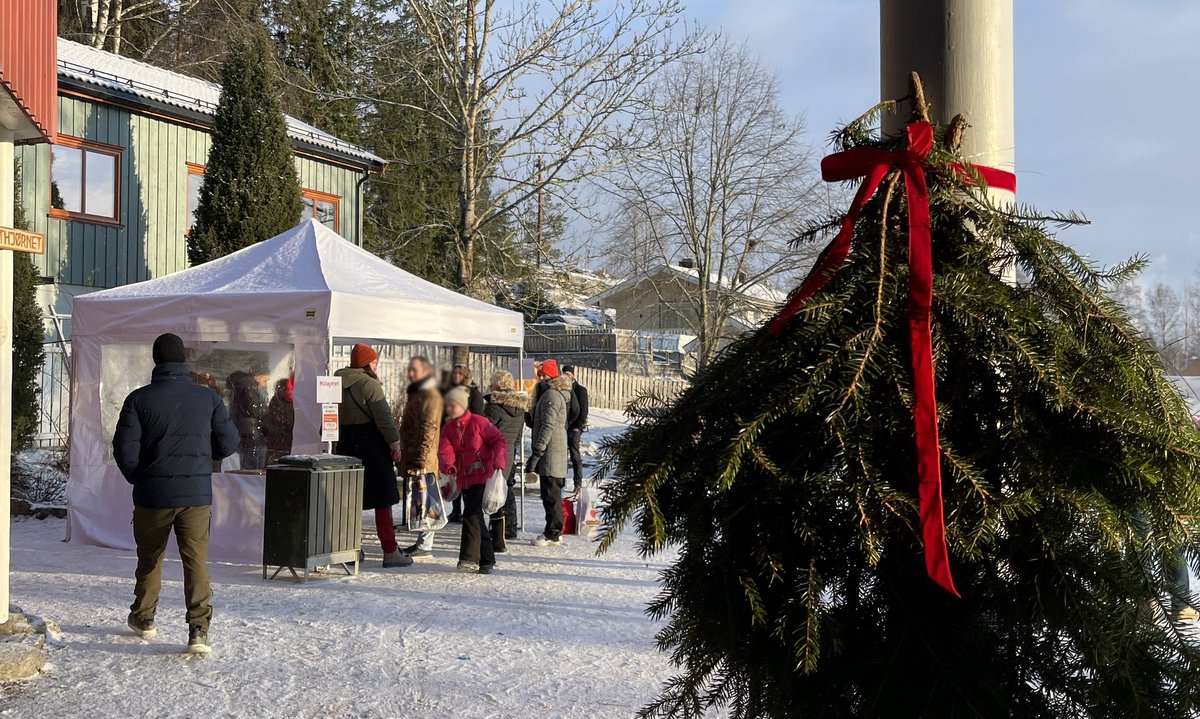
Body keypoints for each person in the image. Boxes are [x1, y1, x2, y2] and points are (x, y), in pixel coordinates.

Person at [113, 333, 239, 654]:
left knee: (150, 557)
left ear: (156, 361)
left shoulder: (139, 400)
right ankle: (198, 629)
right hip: (195, 495)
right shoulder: (207, 398)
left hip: (152, 495)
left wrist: (140, 478)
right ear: (183, 360)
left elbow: (124, 450)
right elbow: (228, 443)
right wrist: (200, 458)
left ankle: (144, 618)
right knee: (195, 560)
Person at [334, 344, 412, 569]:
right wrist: (394, 442)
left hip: (345, 443)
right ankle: (390, 550)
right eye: (374, 361)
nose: (376, 364)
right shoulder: (369, 384)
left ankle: (350, 549)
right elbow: (384, 418)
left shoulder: (336, 382)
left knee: (349, 500)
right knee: (383, 498)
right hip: (372, 446)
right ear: (367, 363)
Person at [440, 386, 508, 574]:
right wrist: (448, 466)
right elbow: (445, 451)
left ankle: (478, 558)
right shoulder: (448, 428)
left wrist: (498, 462)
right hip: (464, 477)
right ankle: (481, 558)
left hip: (483, 474)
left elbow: (499, 440)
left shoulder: (479, 422)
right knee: (474, 515)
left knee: (472, 514)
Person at [400, 356, 444, 560]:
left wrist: (420, 456)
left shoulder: (430, 394)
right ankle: (422, 542)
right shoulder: (419, 392)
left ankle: (426, 545)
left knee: (427, 501)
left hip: (422, 458)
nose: (411, 374)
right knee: (420, 501)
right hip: (415, 454)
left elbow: (429, 427)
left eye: (415, 370)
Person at [526, 368, 573, 546]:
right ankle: (554, 530)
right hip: (556, 448)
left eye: (543, 375)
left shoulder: (551, 396)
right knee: (552, 492)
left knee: (550, 492)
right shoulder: (558, 395)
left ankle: (552, 532)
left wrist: (538, 449)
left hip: (551, 450)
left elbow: (548, 425)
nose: (539, 379)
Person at [483, 371, 528, 547]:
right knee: (504, 490)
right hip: (509, 453)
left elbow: (484, 432)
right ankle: (508, 529)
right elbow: (518, 437)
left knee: (492, 493)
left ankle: (497, 535)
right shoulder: (520, 408)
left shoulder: (493, 407)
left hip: (493, 453)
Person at [444, 363, 486, 522]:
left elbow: (478, 417)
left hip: (467, 439)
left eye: (459, 374)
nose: (456, 376)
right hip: (452, 438)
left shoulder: (473, 393)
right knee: (454, 473)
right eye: (454, 373)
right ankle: (456, 509)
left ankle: (468, 510)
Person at [227, 370, 267, 469]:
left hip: (243, 431)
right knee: (254, 465)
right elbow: (257, 410)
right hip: (252, 431)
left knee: (247, 464)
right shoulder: (250, 388)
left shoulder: (237, 391)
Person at [561, 365, 590, 492]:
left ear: (573, 375)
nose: (567, 376)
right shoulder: (560, 388)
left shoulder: (580, 390)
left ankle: (577, 483)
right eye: (564, 373)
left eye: (569, 373)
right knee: (561, 455)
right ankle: (561, 482)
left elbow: (584, 410)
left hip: (575, 426)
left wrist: (578, 426)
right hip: (562, 426)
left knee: (574, 454)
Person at [260, 376, 294, 465]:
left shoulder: (274, 401)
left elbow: (267, 420)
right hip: (284, 441)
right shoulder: (289, 403)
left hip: (273, 440)